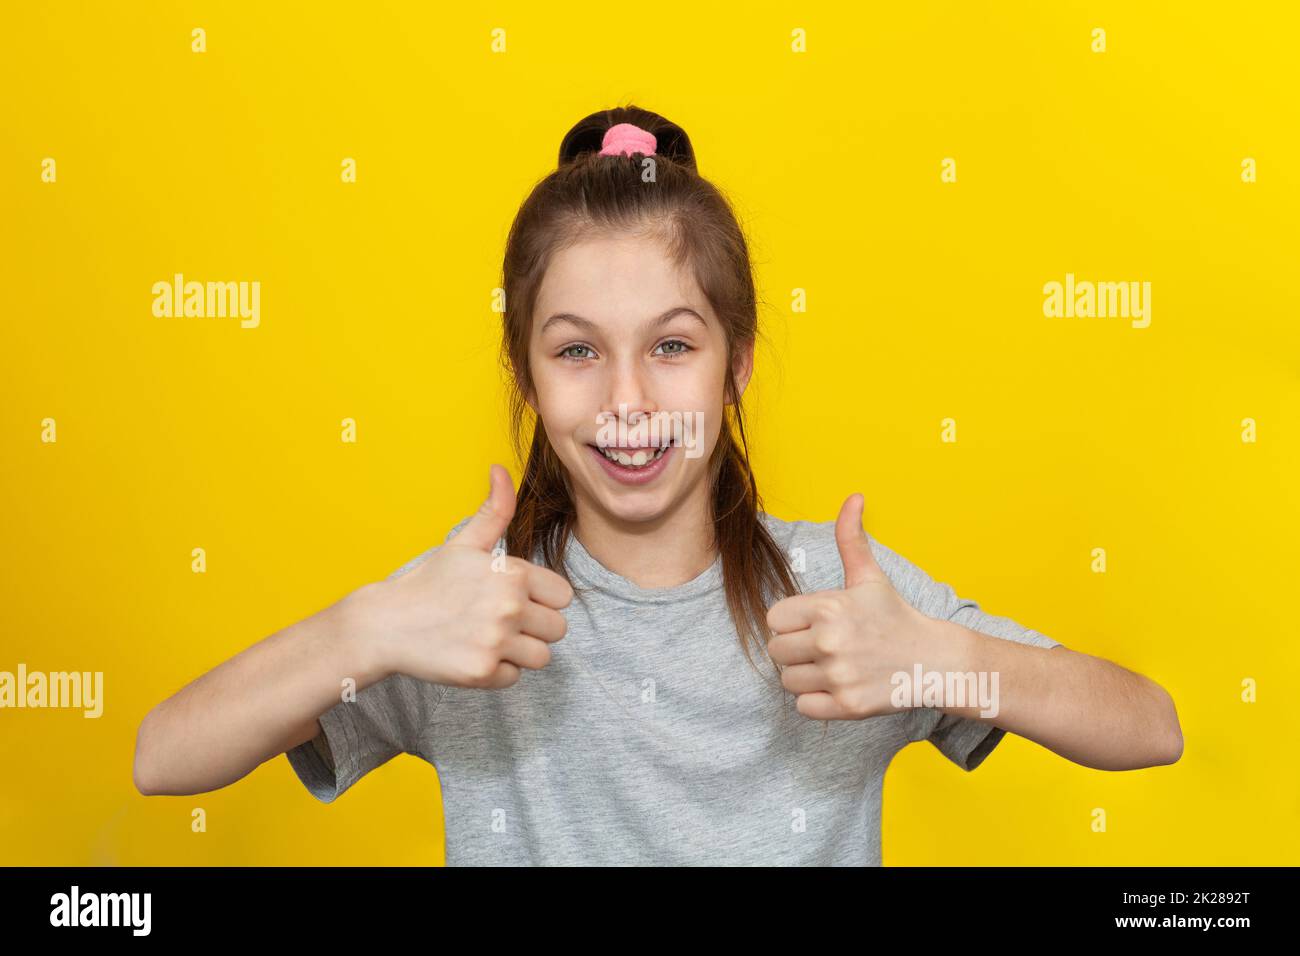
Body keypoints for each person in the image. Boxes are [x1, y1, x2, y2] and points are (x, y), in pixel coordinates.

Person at [134, 105, 1183, 866]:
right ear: (524, 375)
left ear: (737, 363)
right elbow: (162, 755)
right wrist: (363, 630)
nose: (629, 400)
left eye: (672, 345)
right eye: (576, 351)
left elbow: (1149, 727)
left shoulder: (837, 596)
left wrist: (945, 659)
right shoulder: (464, 612)